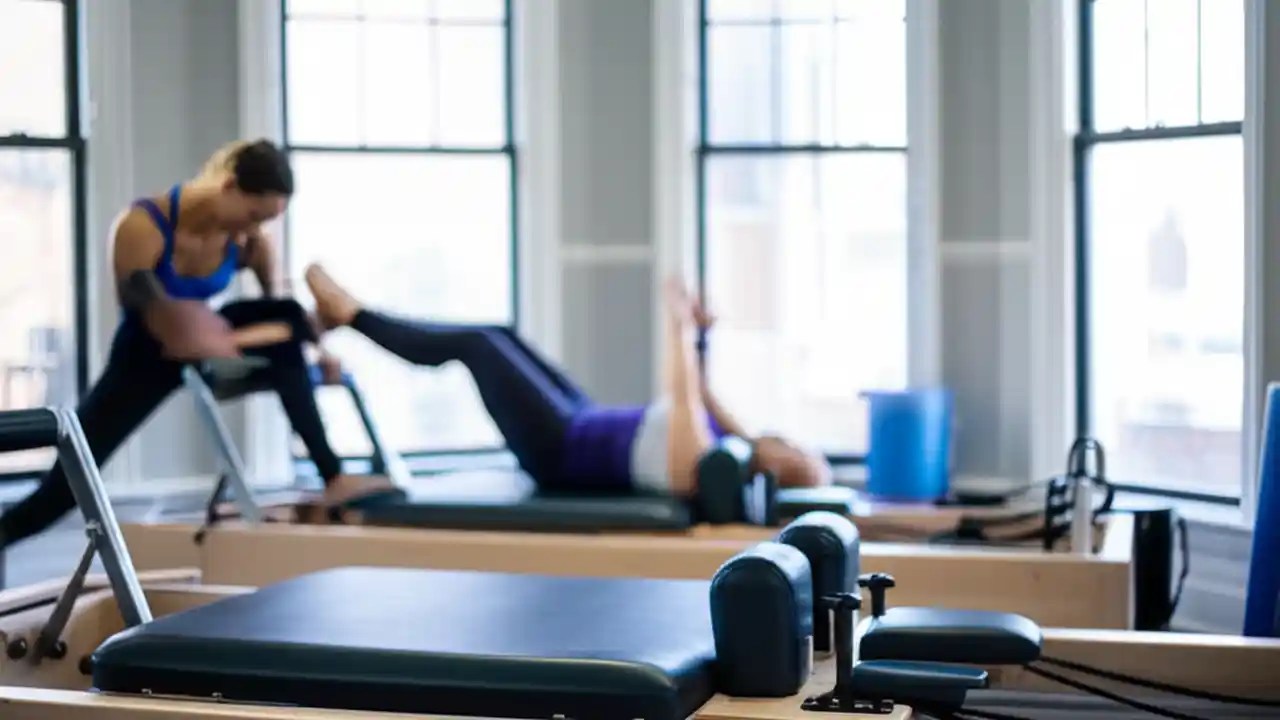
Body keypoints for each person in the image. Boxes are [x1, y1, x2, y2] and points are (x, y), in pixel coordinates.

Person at [0, 140, 389, 550]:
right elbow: (164, 325)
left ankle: (334, 475)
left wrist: (318, 351)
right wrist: (233, 338)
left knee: (289, 325)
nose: (253, 231)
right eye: (254, 215)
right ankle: (6, 530)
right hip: (147, 352)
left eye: (265, 222)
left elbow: (279, 309)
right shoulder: (142, 226)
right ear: (230, 186)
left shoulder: (250, 243)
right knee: (64, 487)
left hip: (211, 339)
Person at [304, 264, 832, 497]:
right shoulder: (733, 449)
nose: (790, 440)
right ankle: (345, 316)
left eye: (797, 455)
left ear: (782, 473)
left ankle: (352, 315)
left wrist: (676, 324)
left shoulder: (706, 466)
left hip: (556, 449)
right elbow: (706, 394)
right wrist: (701, 335)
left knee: (477, 346)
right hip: (581, 418)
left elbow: (686, 393)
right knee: (497, 332)